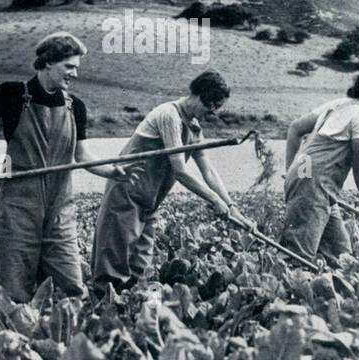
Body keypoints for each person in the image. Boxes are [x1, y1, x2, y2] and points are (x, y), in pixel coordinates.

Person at [0, 32, 124, 300]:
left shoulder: (75, 106)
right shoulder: (13, 94)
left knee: (71, 291)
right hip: (18, 210)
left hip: (60, 212)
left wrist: (113, 171)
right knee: (12, 293)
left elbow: (83, 156)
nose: (75, 74)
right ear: (47, 63)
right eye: (69, 67)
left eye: (76, 67)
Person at [92, 71, 251, 292]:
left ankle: (130, 311)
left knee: (140, 265)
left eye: (218, 106)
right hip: (127, 193)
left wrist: (233, 208)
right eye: (211, 104)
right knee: (114, 262)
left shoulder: (194, 128)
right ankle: (102, 313)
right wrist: (214, 200)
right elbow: (180, 171)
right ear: (198, 95)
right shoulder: (169, 115)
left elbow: (209, 172)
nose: (213, 112)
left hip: (150, 200)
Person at [279, 71, 359, 264]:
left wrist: (292, 170)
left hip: (316, 185)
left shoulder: (338, 104)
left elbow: (295, 128)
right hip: (314, 186)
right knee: (298, 257)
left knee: (341, 255)